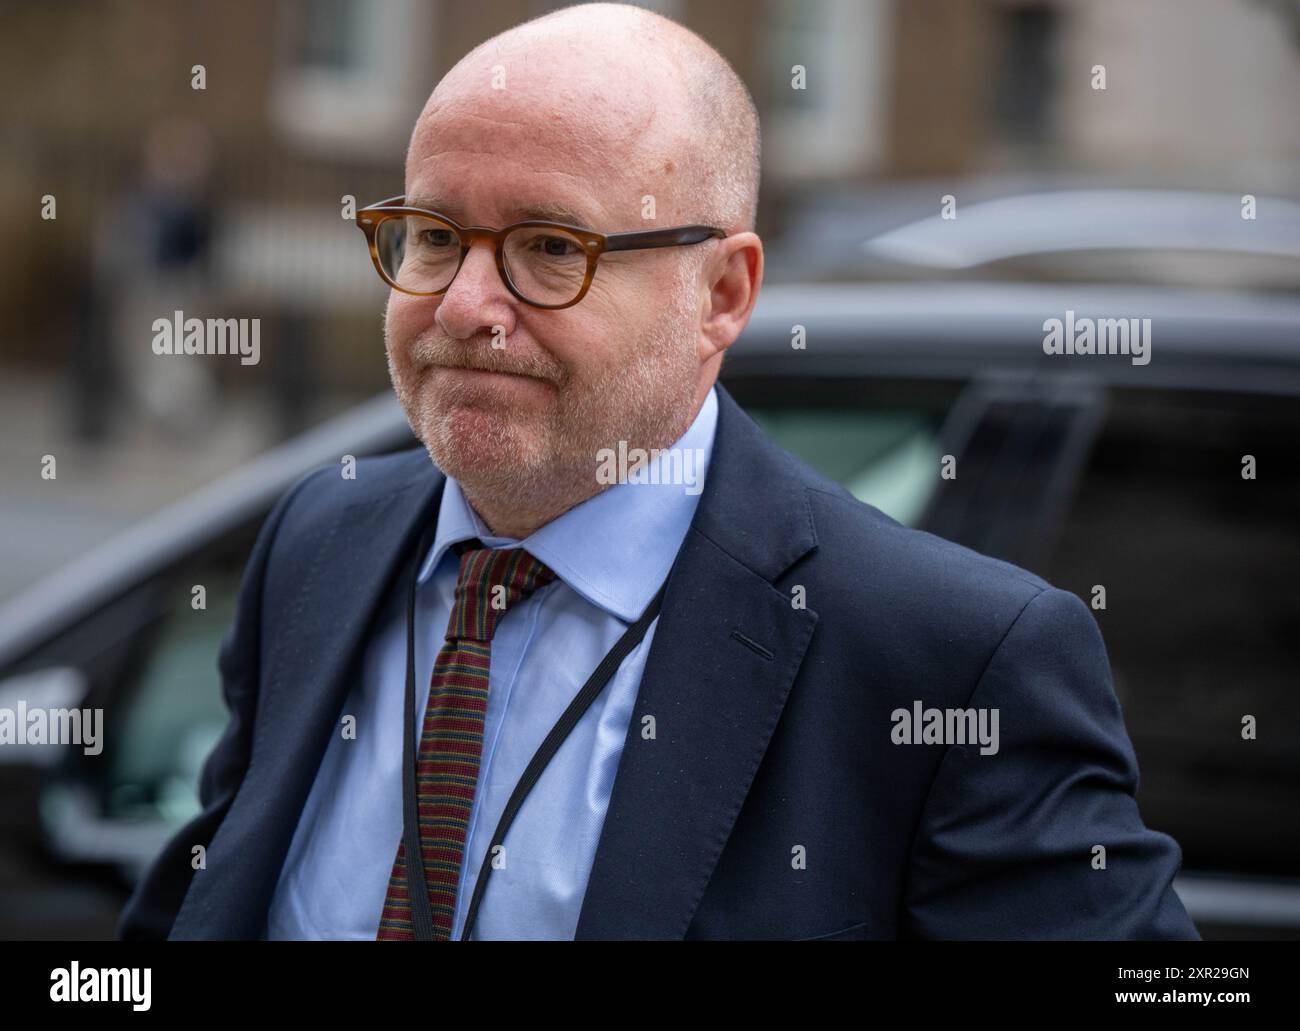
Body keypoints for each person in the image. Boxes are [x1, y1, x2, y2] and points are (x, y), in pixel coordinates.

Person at [117, 2, 1199, 941]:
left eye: (550, 247)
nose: (461, 307)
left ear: (722, 294)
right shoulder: (322, 537)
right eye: (433, 236)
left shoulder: (950, 660)